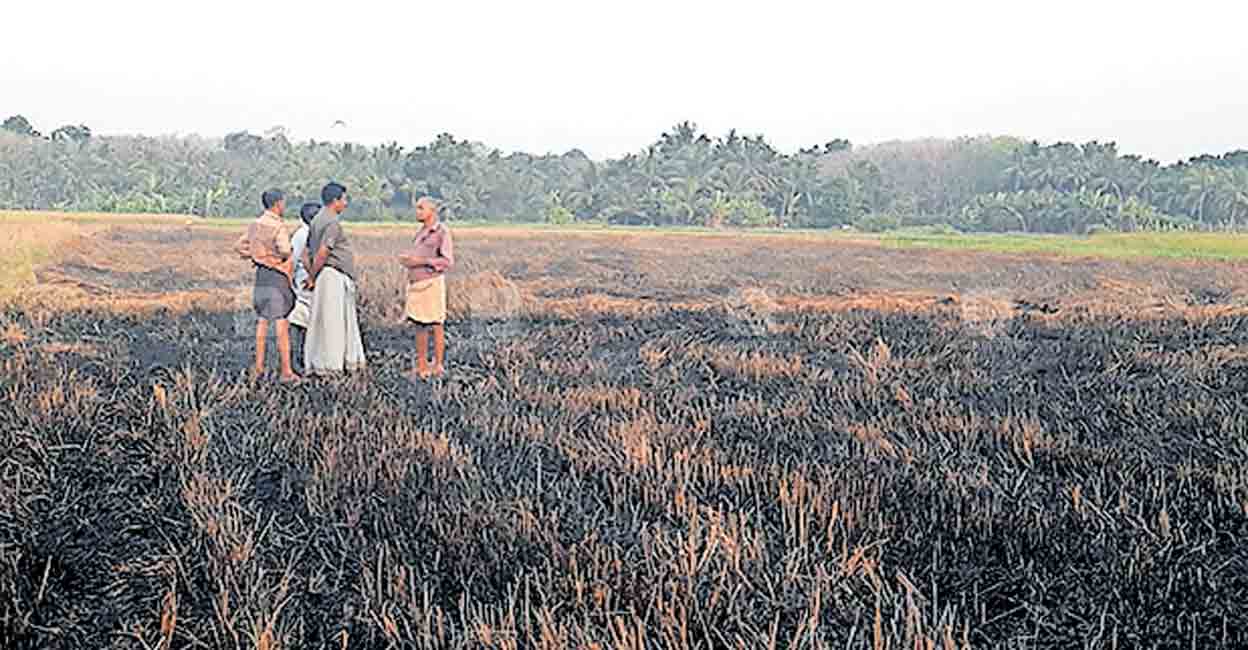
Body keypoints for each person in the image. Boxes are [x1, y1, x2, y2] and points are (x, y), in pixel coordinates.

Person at [233, 189, 299, 383]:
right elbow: (286, 249)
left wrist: (255, 255)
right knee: (281, 323)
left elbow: (238, 246)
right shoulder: (278, 226)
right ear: (278, 203)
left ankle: (259, 367)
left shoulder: (255, 224)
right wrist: (279, 258)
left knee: (262, 321)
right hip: (277, 276)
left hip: (261, 275)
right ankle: (286, 371)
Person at [303, 182, 367, 376]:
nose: (345, 203)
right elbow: (323, 253)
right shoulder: (332, 222)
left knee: (322, 320)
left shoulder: (316, 220)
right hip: (331, 275)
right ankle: (332, 365)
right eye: (344, 199)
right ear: (335, 200)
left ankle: (319, 361)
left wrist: (311, 274)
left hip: (323, 275)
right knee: (333, 322)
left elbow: (306, 253)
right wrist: (313, 276)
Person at [398, 196, 455, 379]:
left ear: (432, 211)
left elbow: (447, 261)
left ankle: (438, 366)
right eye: (417, 208)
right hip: (417, 284)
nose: (418, 212)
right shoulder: (421, 232)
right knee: (419, 324)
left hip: (432, 283)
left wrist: (419, 262)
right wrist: (409, 261)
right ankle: (422, 366)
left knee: (436, 323)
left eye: (421, 208)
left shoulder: (441, 232)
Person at [286, 201, 319, 372]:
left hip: (308, 283)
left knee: (306, 322)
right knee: (299, 323)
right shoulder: (303, 235)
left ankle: (304, 360)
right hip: (304, 284)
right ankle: (297, 362)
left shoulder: (311, 233)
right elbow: (298, 260)